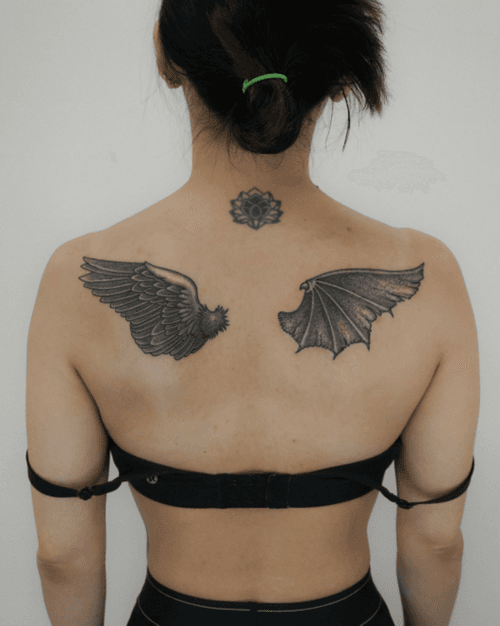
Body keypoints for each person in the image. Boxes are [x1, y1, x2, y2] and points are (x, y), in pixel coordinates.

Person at [27, 2, 479, 625]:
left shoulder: (74, 275)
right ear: (341, 75)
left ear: (165, 56)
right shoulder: (426, 273)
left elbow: (63, 555)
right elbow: (436, 540)